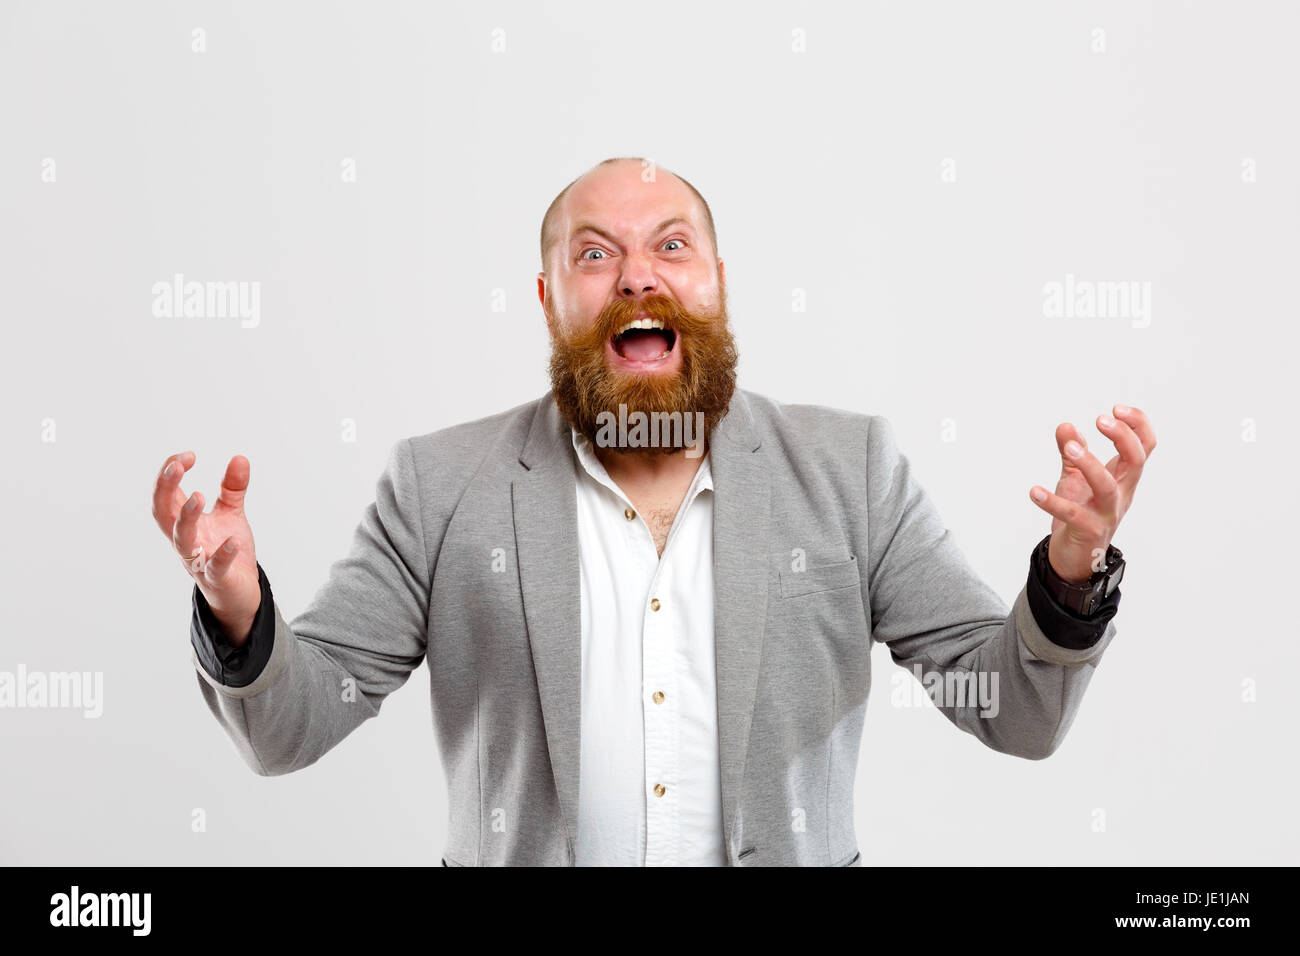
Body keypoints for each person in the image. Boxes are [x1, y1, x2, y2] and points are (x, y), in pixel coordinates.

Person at [150, 156, 1156, 866]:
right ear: (547, 298)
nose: (637, 273)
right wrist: (236, 605)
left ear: (715, 286)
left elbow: (1014, 712)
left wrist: (1067, 575)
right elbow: (290, 727)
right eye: (594, 254)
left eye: (671, 245)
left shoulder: (850, 469)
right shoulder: (438, 483)